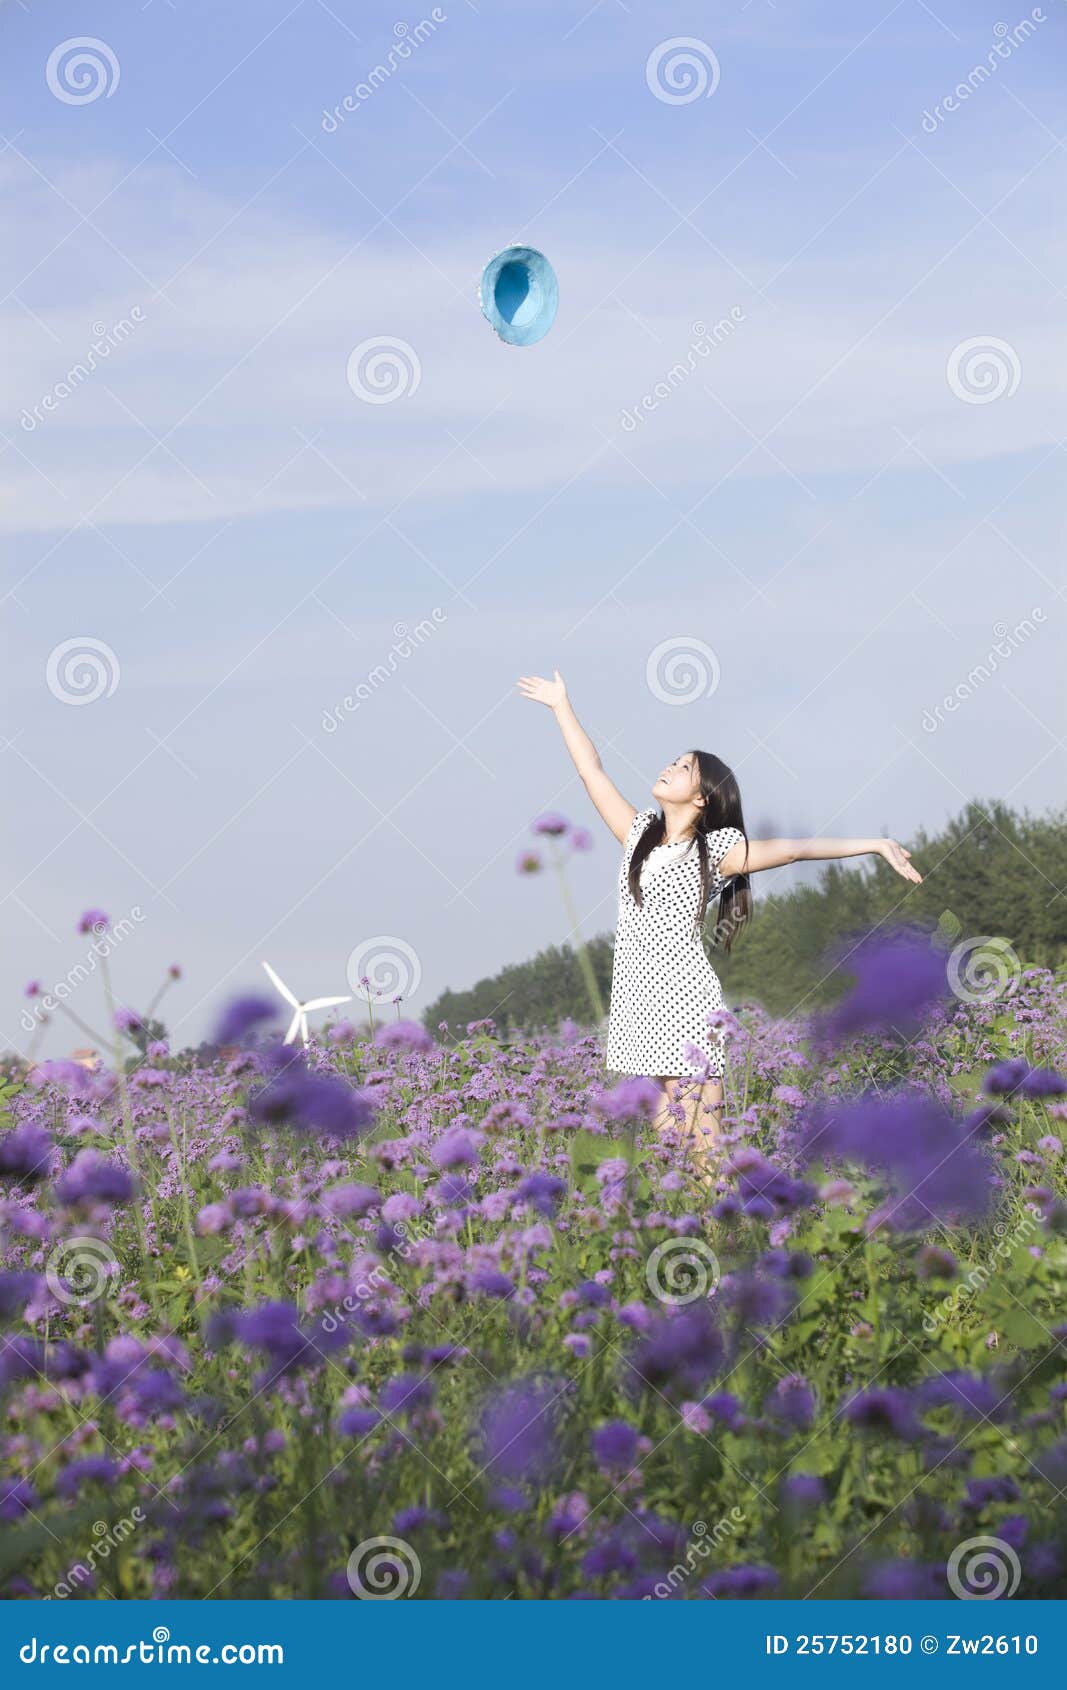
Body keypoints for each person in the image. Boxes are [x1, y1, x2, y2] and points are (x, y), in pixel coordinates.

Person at [518, 668, 922, 1162]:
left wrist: (873, 844)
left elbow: (793, 851)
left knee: (705, 1143)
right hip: (639, 998)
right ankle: (695, 1226)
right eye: (672, 761)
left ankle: (727, 1227)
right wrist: (561, 706)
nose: (668, 768)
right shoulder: (638, 835)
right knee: (670, 1142)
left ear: (702, 796)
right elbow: (592, 772)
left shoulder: (716, 849)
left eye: (682, 767)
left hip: (684, 997)